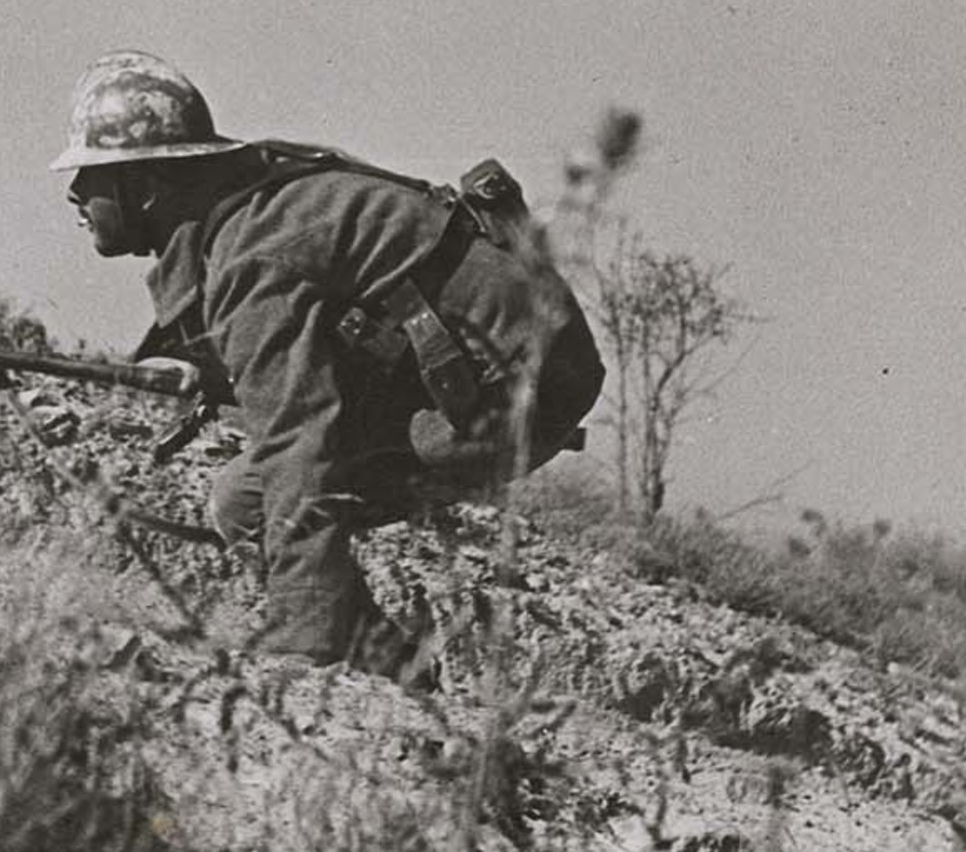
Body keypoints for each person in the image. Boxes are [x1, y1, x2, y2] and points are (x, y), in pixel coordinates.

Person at [52, 50, 601, 681]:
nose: (75, 193)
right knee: (244, 496)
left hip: (511, 398)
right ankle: (396, 668)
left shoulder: (252, 257)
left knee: (250, 501)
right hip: (515, 370)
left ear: (146, 187)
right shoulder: (260, 198)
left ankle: (343, 650)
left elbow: (298, 442)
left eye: (92, 175)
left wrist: (298, 646)